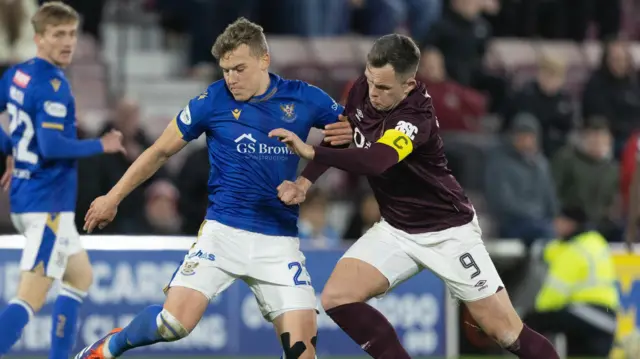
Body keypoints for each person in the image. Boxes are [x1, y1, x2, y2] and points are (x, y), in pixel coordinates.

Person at [269, 34, 560, 359]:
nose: (373, 93)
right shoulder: (363, 90)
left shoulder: (415, 116)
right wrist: (305, 183)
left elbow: (376, 161)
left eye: (384, 88)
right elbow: (339, 137)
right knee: (337, 296)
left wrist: (308, 149)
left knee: (504, 331)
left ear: (408, 85)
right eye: (370, 81)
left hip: (448, 231)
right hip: (397, 228)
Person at [76, 17, 352, 359]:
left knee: (303, 354)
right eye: (224, 70)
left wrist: (305, 181)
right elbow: (160, 150)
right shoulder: (212, 100)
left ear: (264, 59)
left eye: (239, 68)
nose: (231, 79)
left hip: (278, 241)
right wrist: (113, 197)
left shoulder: (304, 98)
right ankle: (110, 345)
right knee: (173, 325)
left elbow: (347, 135)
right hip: (223, 233)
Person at [0, 2, 125, 359]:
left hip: (33, 198)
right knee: (29, 298)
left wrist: (9, 149)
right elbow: (54, 147)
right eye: (58, 35)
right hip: (47, 206)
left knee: (79, 276)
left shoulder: (17, 75)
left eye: (72, 34)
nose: (67, 42)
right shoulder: (53, 86)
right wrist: (101, 143)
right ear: (39, 39)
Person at [524, 207, 618, 357]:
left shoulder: (573, 251)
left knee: (534, 321)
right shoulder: (595, 242)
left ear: (569, 224)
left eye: (559, 220)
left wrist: (534, 314)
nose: (555, 225)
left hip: (587, 312)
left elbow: (553, 294)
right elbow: (554, 249)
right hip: (608, 318)